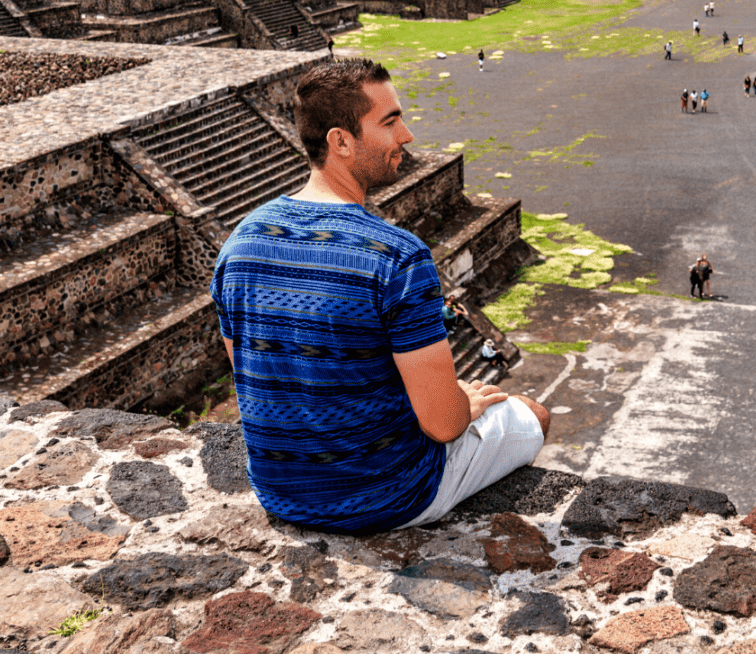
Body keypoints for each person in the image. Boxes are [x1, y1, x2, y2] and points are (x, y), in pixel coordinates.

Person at [211, 59, 549, 534]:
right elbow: (443, 426)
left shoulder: (240, 243)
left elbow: (252, 373)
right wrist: (460, 403)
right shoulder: (396, 256)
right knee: (531, 413)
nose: (406, 136)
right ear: (341, 141)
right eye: (390, 122)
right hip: (388, 495)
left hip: (281, 492)